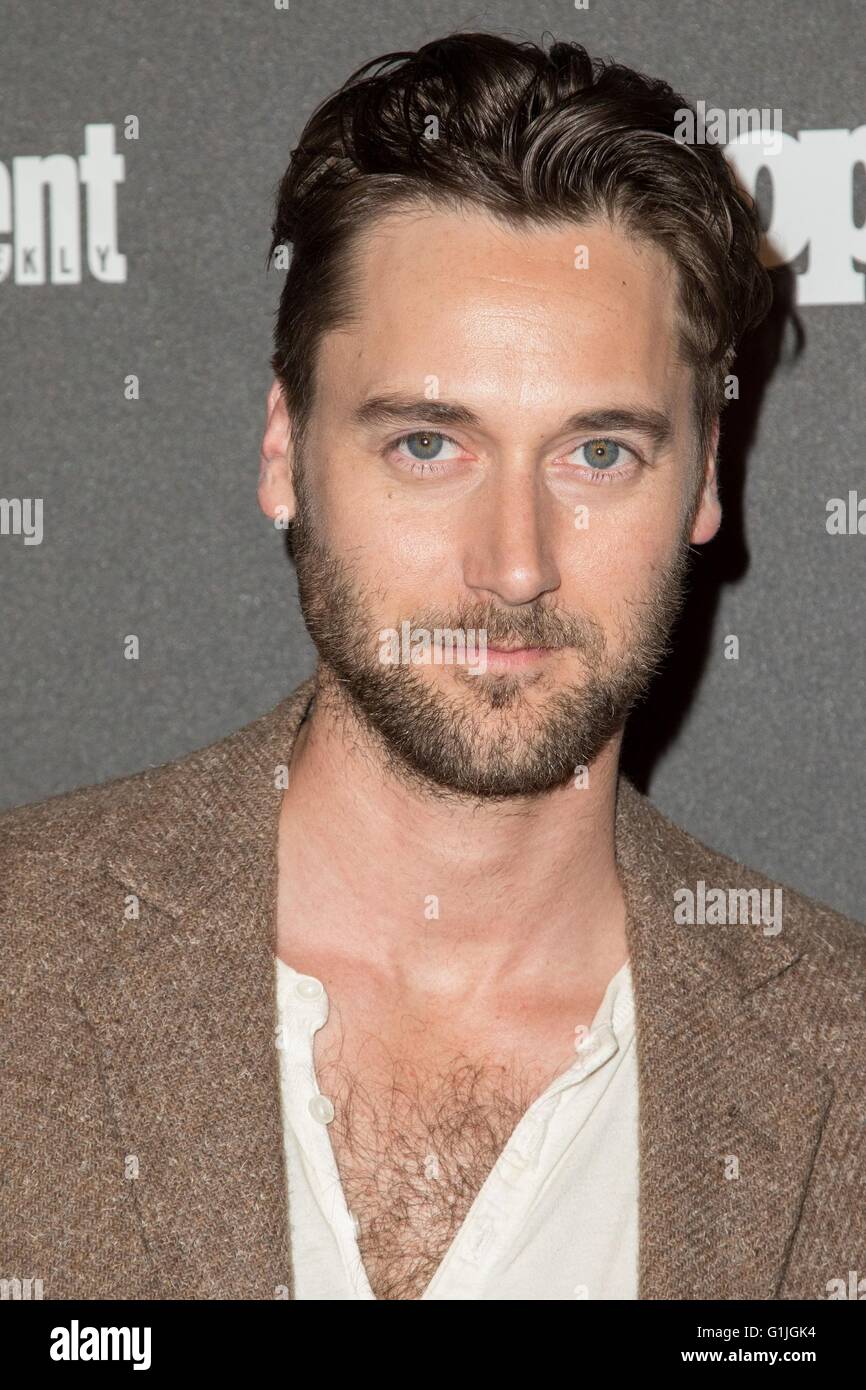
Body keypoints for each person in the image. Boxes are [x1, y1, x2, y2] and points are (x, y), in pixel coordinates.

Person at [2, 32, 863, 1302]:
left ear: (704, 482)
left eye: (598, 454)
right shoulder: (23, 960)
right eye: (424, 444)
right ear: (285, 451)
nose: (511, 566)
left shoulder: (838, 1060)